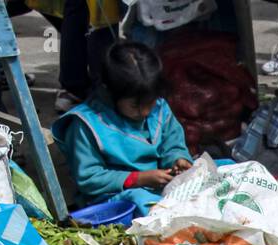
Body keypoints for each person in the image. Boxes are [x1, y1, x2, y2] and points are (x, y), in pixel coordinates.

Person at [51, 40, 192, 214]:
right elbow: (89, 177)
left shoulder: (159, 108)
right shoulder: (86, 124)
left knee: (225, 168)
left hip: (160, 187)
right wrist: (138, 179)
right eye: (135, 106)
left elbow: (173, 143)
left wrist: (178, 159)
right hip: (115, 197)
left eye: (151, 102)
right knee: (147, 204)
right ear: (111, 92)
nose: (146, 111)